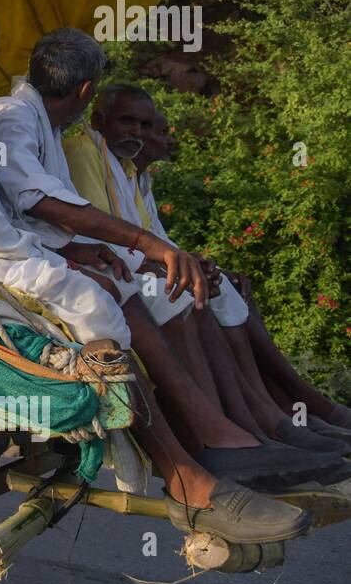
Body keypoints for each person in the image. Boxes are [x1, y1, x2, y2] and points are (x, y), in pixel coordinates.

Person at [0, 0, 309, 543]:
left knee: (92, 286)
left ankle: (193, 458)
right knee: (88, 299)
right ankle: (184, 476)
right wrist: (53, 264)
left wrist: (65, 253)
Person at [0, 31, 346, 489]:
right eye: (132, 123)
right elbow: (37, 201)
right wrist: (150, 249)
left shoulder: (47, 127)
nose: (140, 134)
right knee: (150, 294)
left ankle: (250, 425)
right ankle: (210, 438)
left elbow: (43, 215)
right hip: (3, 261)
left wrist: (116, 250)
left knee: (181, 287)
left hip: (47, 253)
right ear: (87, 93)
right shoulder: (16, 118)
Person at [137, 110, 351, 440]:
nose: (165, 139)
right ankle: (243, 423)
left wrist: (197, 261)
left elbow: (159, 239)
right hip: (117, 269)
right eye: (152, 128)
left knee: (228, 286)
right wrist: (175, 265)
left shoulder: (137, 177)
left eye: (160, 129)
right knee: (186, 296)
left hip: (146, 262)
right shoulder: (95, 160)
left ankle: (277, 409)